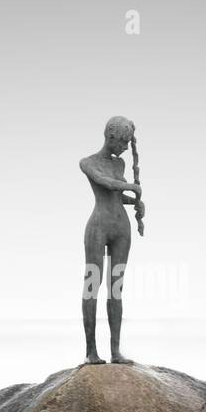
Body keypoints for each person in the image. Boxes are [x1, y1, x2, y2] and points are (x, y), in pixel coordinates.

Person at [79, 116, 145, 364]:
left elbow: (116, 197)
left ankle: (116, 351)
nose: (126, 148)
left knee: (116, 288)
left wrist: (136, 202)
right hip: (98, 228)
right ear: (111, 137)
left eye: (129, 143)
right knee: (92, 285)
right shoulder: (88, 162)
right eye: (123, 142)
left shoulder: (120, 164)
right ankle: (91, 352)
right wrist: (131, 187)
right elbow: (105, 183)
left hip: (121, 230)